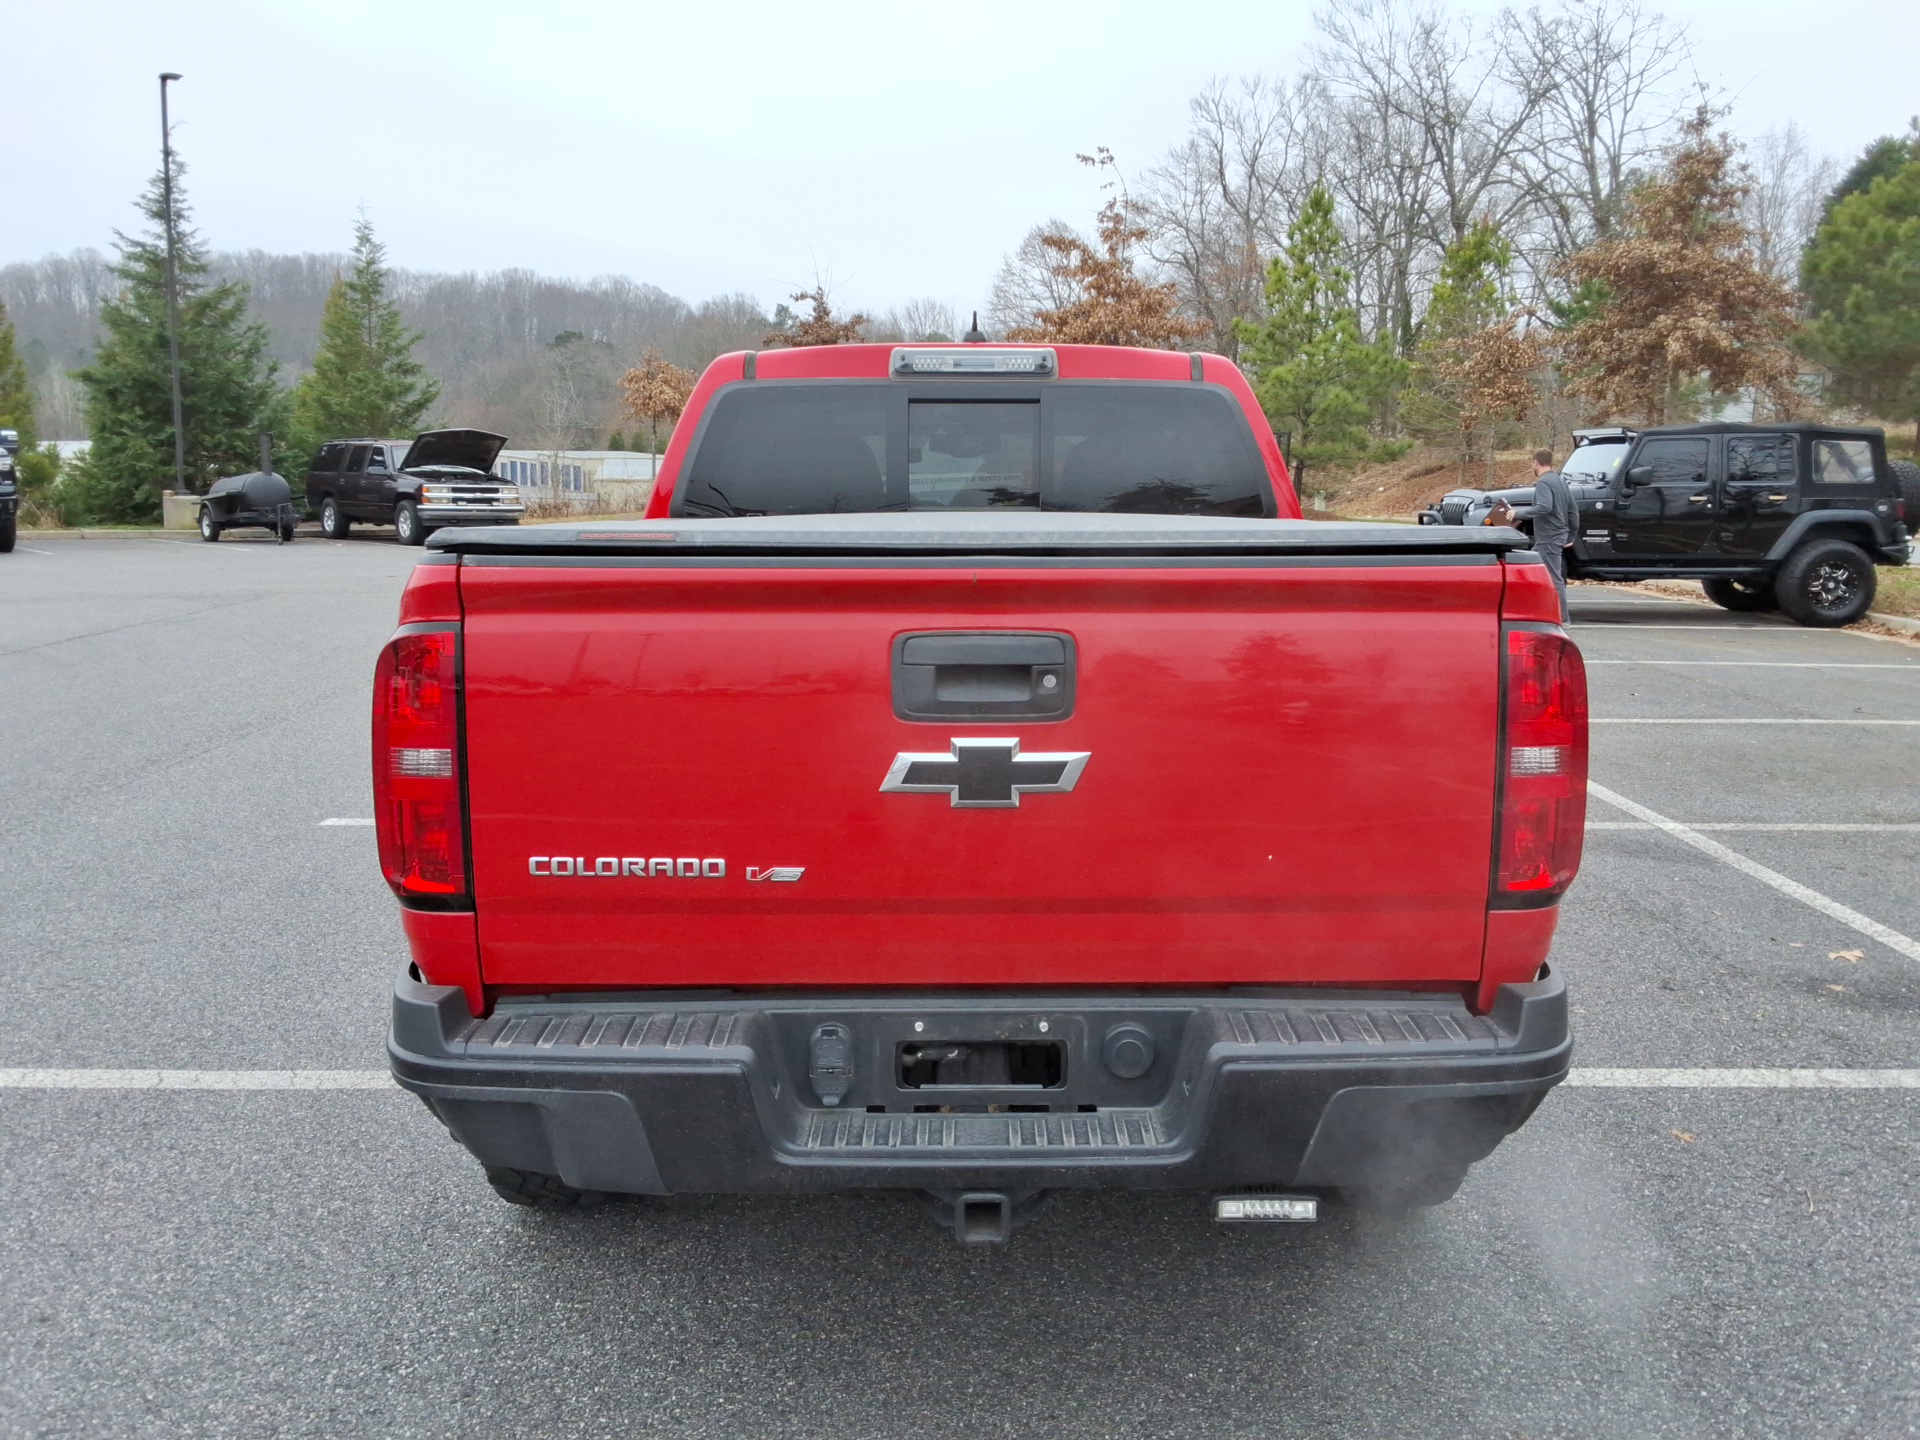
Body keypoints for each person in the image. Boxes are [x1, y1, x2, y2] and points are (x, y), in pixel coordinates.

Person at [1490, 448, 1576, 621]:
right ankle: (1529, 610)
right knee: (1530, 570)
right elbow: (1573, 510)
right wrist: (1572, 534)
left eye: (1532, 463)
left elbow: (1545, 506)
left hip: (1549, 536)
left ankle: (1563, 618)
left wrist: (1517, 514)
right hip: (1555, 535)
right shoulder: (1560, 481)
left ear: (1535, 463)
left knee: (1554, 577)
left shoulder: (1544, 482)